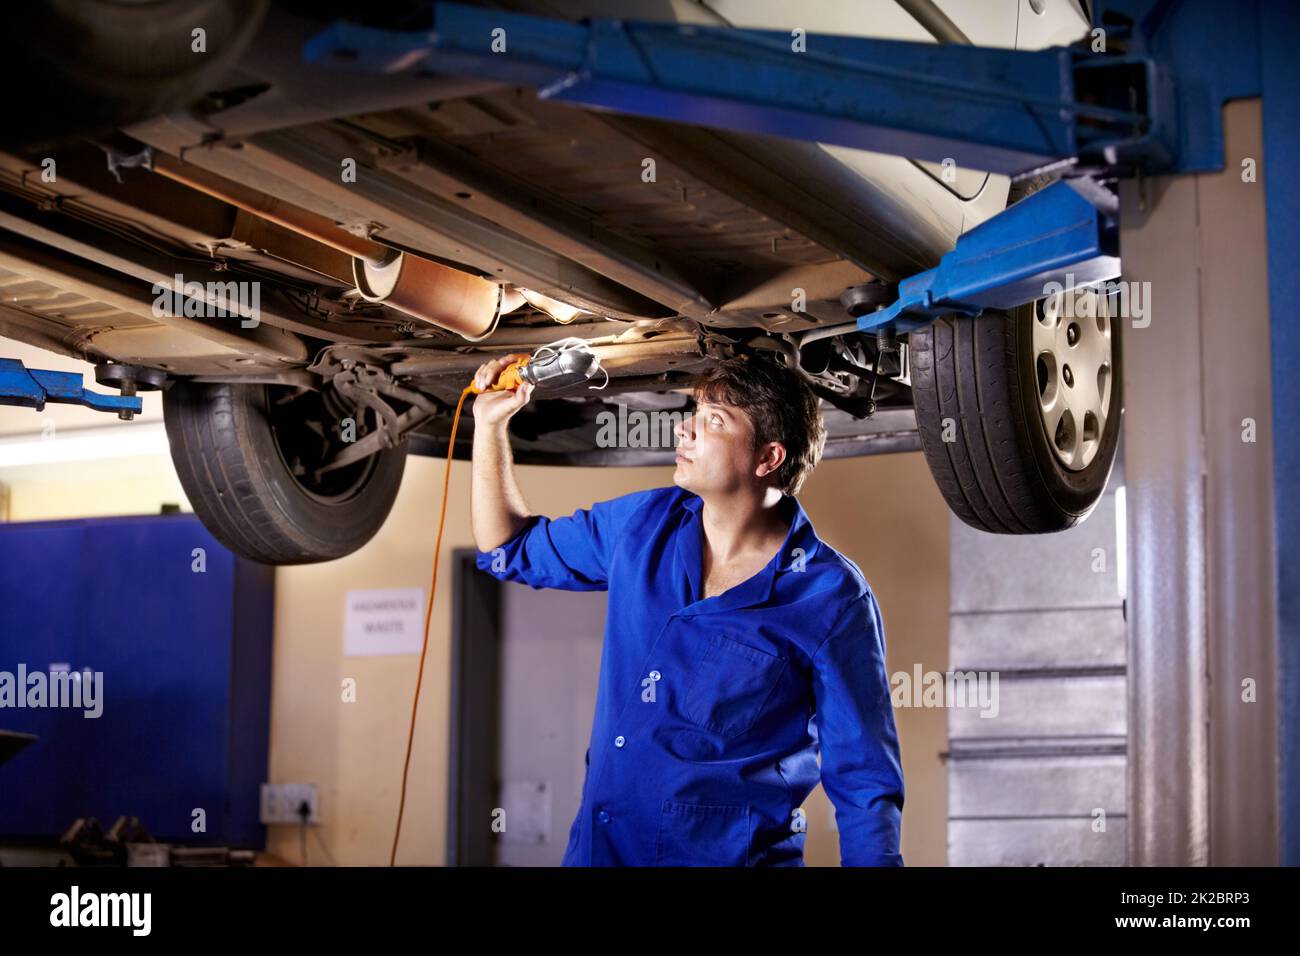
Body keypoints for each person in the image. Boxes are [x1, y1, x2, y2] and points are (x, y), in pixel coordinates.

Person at [470, 351, 904, 866]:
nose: (685, 432)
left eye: (714, 421)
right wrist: (489, 428)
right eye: (693, 413)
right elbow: (509, 549)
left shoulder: (830, 597)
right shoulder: (642, 524)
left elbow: (864, 784)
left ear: (768, 458)